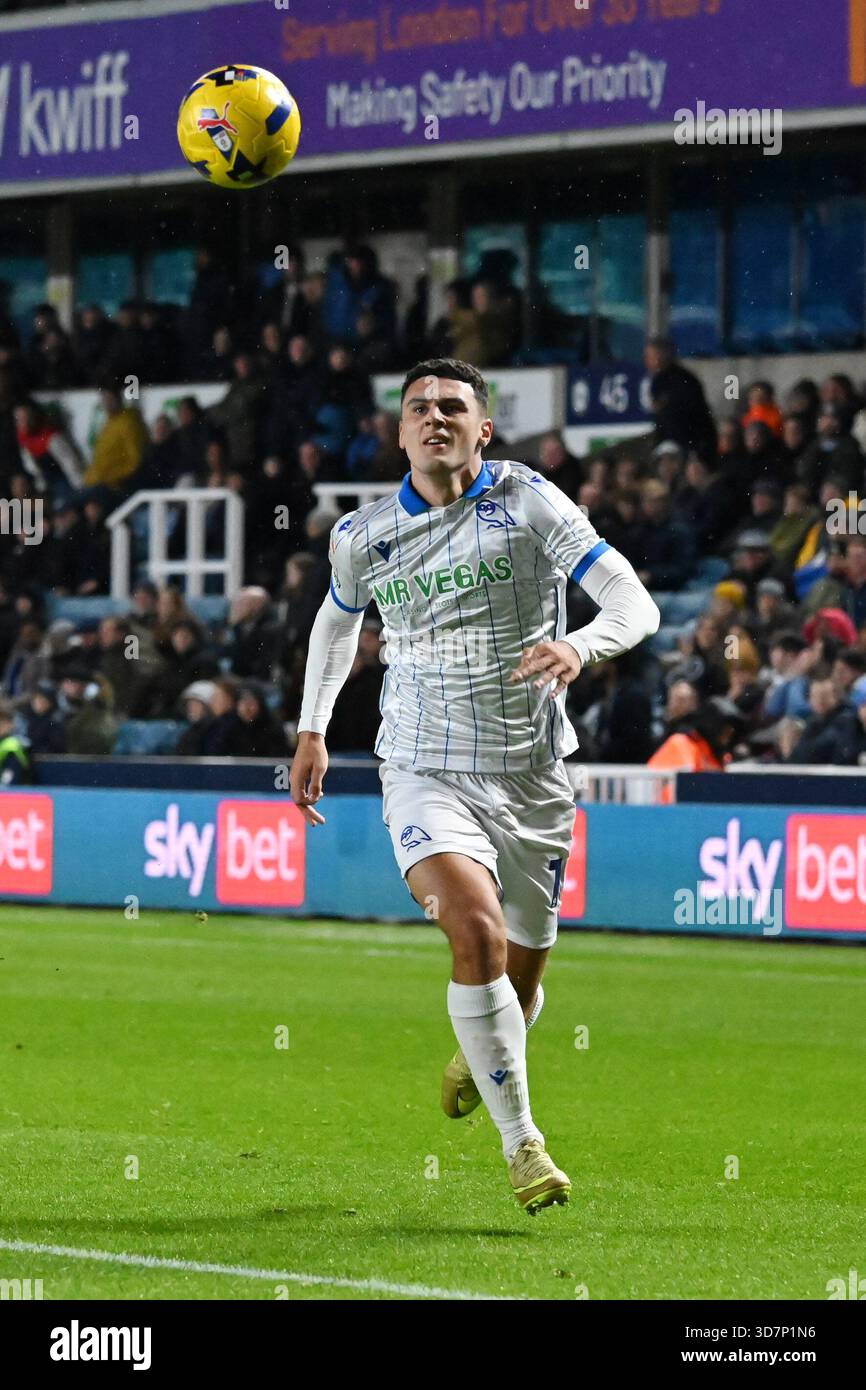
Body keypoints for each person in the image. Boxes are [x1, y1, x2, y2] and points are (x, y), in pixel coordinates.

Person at [289, 356, 659, 1213]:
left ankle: (482, 1042)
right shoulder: (365, 535)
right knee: (477, 935)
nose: (435, 419)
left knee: (521, 984)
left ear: (482, 428)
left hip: (531, 775)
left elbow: (631, 601)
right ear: (401, 431)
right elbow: (335, 625)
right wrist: (312, 729)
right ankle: (522, 1144)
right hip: (423, 764)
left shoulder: (529, 499)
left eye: (453, 407)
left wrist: (582, 644)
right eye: (418, 408)